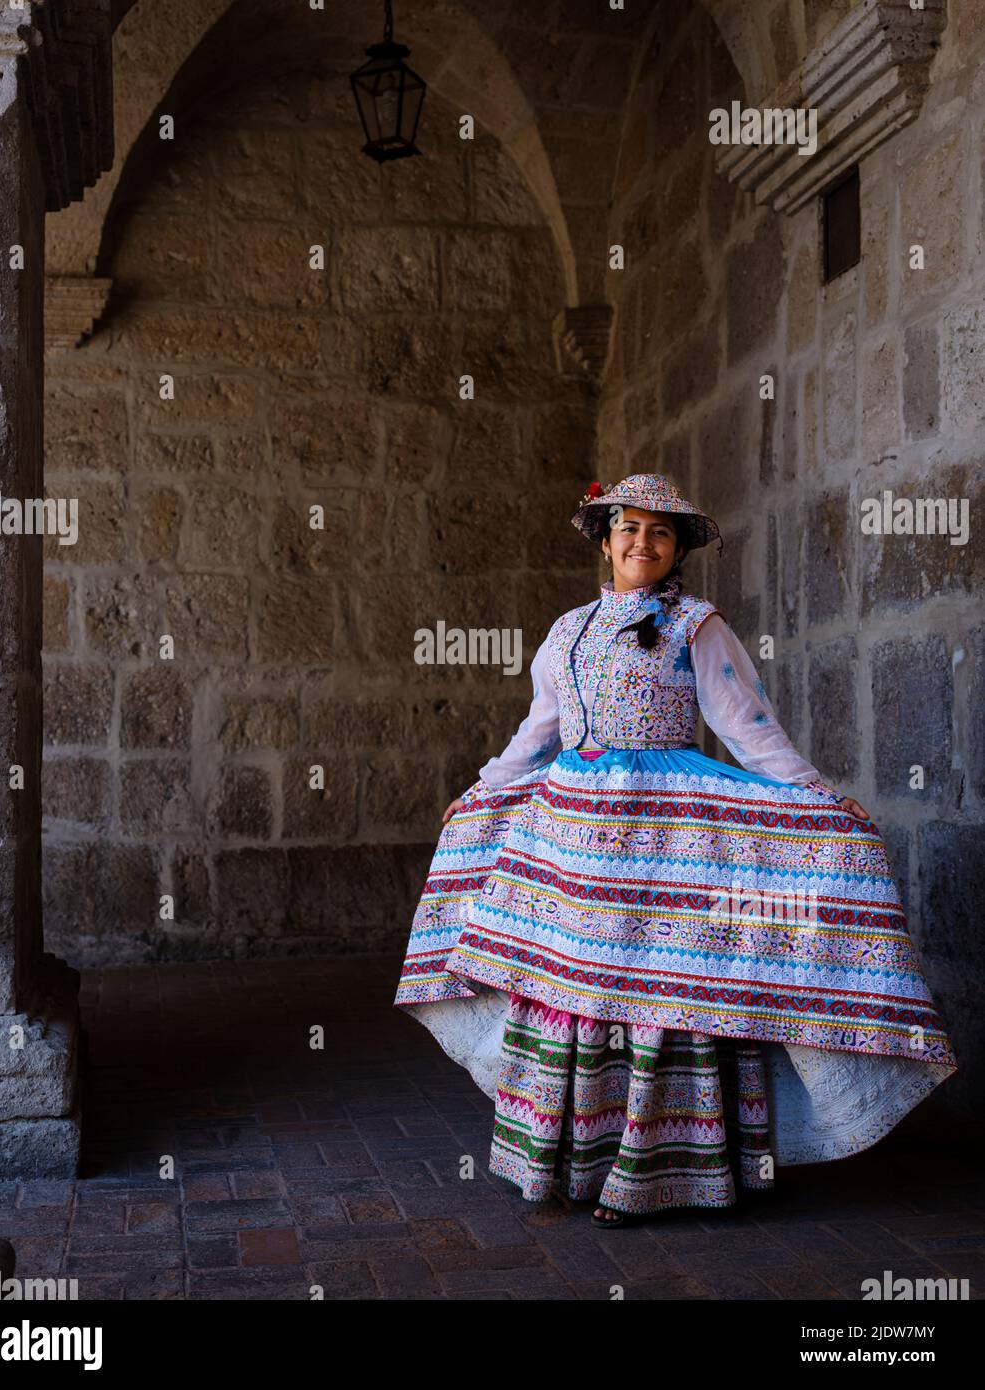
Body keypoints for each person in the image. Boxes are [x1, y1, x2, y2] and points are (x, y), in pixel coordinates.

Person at [394, 474, 957, 1228]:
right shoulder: (566, 632)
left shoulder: (698, 626)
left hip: (665, 836)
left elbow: (748, 726)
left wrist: (819, 799)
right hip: (576, 841)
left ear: (675, 549)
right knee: (577, 984)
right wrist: (481, 788)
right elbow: (539, 732)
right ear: (605, 538)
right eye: (629, 528)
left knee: (665, 982)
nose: (642, 542)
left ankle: (657, 1173)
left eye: (660, 532)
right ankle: (571, 1161)